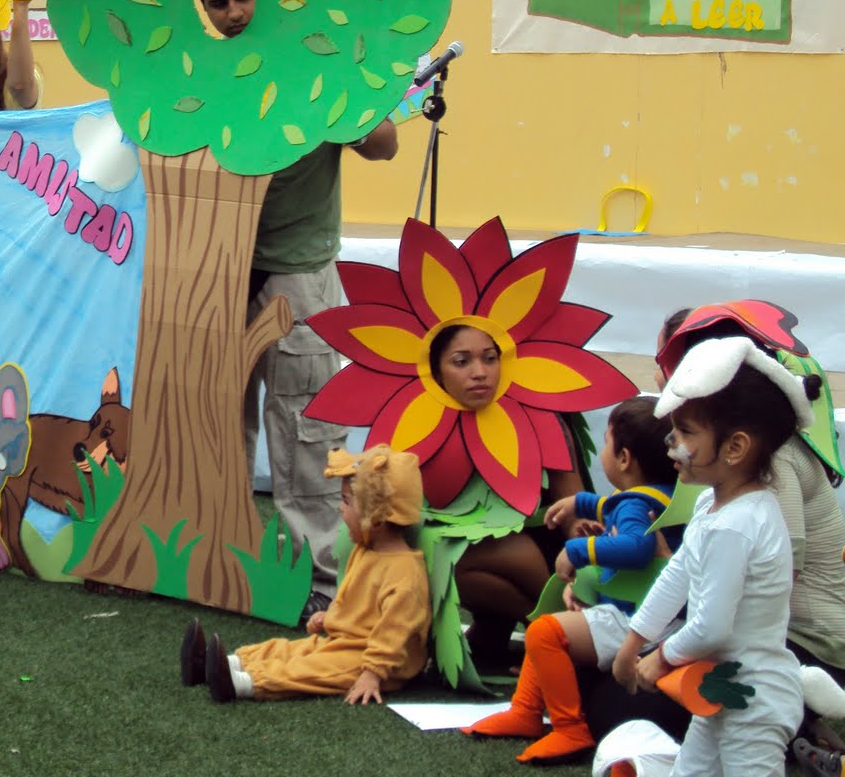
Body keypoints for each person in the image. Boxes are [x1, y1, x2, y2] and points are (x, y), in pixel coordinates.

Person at [191, 0, 399, 620]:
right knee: (219, 425)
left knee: (309, 431)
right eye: (218, 2)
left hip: (299, 272)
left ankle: (327, 589)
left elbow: (385, 143)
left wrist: (342, 102)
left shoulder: (316, 57)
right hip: (218, 270)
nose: (233, 12)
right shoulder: (199, 70)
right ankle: (223, 570)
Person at [613, 335, 807, 776]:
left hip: (752, 699)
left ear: (735, 448)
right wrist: (633, 640)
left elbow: (712, 628)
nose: (672, 443)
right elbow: (678, 575)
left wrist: (658, 657)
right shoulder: (712, 506)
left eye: (685, 433)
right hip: (719, 686)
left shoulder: (735, 526)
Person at [465, 394, 680, 762]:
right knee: (548, 626)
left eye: (609, 443)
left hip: (637, 619)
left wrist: (579, 551)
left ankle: (568, 728)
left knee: (546, 633)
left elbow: (636, 546)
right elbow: (613, 506)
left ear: (625, 459)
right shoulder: (662, 495)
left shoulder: (632, 504)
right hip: (654, 615)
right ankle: (526, 711)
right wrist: (579, 503)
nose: (604, 450)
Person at [180, 444, 429, 704]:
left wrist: (372, 673)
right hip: (346, 642)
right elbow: (352, 603)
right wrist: (330, 616)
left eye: (346, 502)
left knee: (310, 669)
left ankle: (241, 683)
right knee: (288, 648)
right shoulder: (366, 551)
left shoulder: (405, 573)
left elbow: (395, 632)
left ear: (376, 519)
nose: (340, 509)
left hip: (376, 663)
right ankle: (221, 664)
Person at [429, 321, 588, 664]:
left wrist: (587, 572)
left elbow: (573, 511)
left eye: (490, 359)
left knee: (445, 557)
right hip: (499, 548)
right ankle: (499, 625)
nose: (480, 373)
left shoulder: (540, 416)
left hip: (551, 554)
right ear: (436, 372)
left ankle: (554, 628)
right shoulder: (425, 422)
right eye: (461, 362)